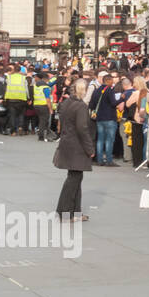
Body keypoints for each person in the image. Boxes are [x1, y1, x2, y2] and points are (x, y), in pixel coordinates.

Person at [53, 79, 93, 221]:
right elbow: (82, 128)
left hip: (67, 142)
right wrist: (90, 148)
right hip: (77, 145)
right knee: (74, 179)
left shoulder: (67, 102)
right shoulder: (81, 106)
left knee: (75, 177)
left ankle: (75, 211)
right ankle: (65, 212)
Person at [88, 71, 120, 166]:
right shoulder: (110, 90)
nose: (113, 83)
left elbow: (91, 104)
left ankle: (100, 159)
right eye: (112, 81)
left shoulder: (96, 90)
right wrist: (121, 98)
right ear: (108, 80)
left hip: (99, 118)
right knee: (109, 139)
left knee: (100, 139)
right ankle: (109, 160)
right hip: (109, 117)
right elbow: (113, 103)